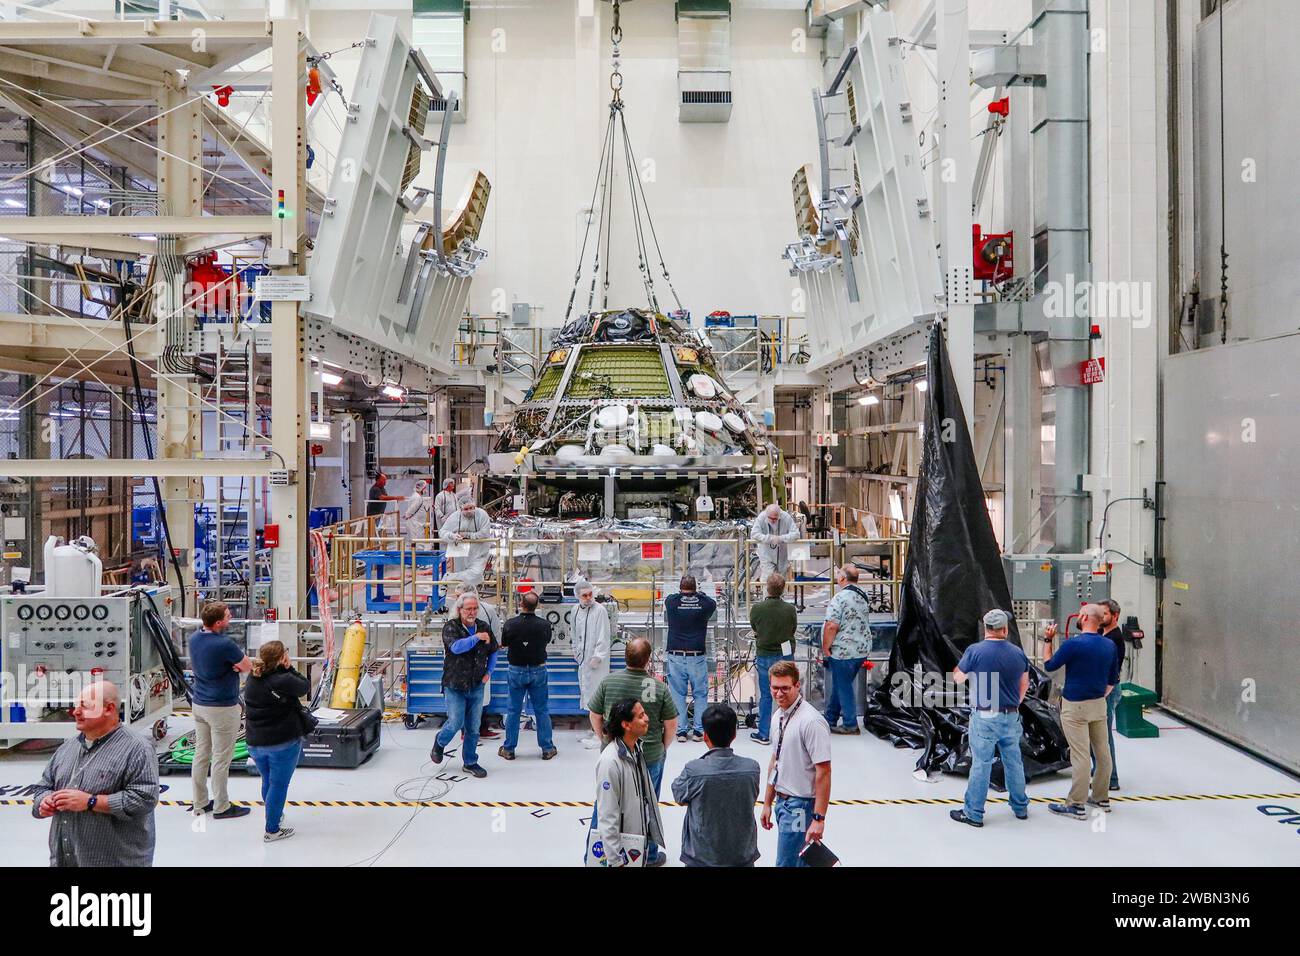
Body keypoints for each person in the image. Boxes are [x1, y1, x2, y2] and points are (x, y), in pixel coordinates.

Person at [31, 681, 159, 867]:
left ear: (109, 708)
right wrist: (44, 802)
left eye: (85, 706)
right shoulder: (67, 747)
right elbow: (43, 786)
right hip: (67, 860)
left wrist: (91, 802)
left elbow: (144, 799)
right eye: (76, 705)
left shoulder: (137, 749)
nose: (75, 712)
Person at [588, 638, 678, 867]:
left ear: (624, 656)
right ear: (648, 660)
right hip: (650, 756)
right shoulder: (658, 687)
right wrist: (661, 748)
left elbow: (595, 715)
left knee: (606, 806)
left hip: (615, 755)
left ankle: (595, 853)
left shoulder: (609, 682)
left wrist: (605, 740)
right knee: (648, 805)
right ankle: (649, 854)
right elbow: (671, 724)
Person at [948, 609, 1030, 827]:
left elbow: (957, 678)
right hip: (1011, 715)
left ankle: (974, 813)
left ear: (986, 628)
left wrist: (961, 667)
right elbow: (1025, 684)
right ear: (1004, 629)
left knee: (981, 764)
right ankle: (1020, 807)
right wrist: (1014, 704)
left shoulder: (975, 651)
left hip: (984, 716)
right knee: (1014, 762)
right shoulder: (1017, 653)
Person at [1044, 604, 1118, 819]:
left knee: (1081, 755)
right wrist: (1097, 696)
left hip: (1075, 706)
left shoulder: (1073, 645)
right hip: (1098, 705)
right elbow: (1112, 681)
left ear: (1084, 617)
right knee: (1102, 752)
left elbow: (1049, 665)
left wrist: (1048, 640)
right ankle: (1101, 798)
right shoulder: (1109, 645)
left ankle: (1076, 804)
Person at [671, 703, 761, 867]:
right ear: (734, 734)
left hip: (701, 858)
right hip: (742, 857)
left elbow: (678, 796)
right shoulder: (752, 768)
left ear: (705, 736)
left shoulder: (694, 770)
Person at [760, 661, 832, 867]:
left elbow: (824, 772)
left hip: (800, 807)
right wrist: (767, 802)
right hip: (782, 803)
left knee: (787, 862)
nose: (779, 693)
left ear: (797, 686)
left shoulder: (811, 722)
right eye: (775, 688)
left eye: (785, 688)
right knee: (800, 860)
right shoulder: (778, 716)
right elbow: (776, 760)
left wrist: (819, 818)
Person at [188, 601, 252, 819]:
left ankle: (200, 802)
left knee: (201, 754)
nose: (230, 617)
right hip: (222, 707)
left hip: (199, 704)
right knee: (221, 758)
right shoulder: (224, 645)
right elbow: (247, 666)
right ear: (217, 623)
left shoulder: (194, 638)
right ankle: (222, 806)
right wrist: (233, 666)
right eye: (227, 616)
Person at [243, 640, 309, 843]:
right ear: (281, 658)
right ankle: (272, 829)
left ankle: (275, 814)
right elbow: (304, 686)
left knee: (268, 781)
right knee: (279, 785)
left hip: (255, 743)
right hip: (282, 743)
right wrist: (290, 669)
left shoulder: (253, 677)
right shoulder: (283, 679)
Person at [587, 699, 666, 868]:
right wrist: (616, 861)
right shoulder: (610, 762)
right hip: (621, 855)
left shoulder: (635, 749)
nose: (647, 719)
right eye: (641, 716)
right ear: (626, 725)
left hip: (636, 844)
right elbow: (607, 816)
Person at [431, 593, 499, 778]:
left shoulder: (484, 627)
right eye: (468, 609)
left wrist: (488, 673)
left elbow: (493, 651)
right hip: (455, 685)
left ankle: (470, 761)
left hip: (477, 684)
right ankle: (440, 742)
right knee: (455, 722)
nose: (472, 612)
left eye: (475, 608)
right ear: (459, 610)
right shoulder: (451, 627)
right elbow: (456, 648)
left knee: (473, 727)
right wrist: (476, 637)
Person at [498, 591, 557, 760]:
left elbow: (505, 643)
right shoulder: (544, 625)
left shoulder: (510, 624)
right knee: (542, 710)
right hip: (538, 671)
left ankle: (509, 749)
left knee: (513, 710)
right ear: (537, 606)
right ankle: (547, 748)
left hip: (516, 670)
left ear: (521, 605)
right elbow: (546, 641)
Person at [820, 565, 873, 734]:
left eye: (838, 575)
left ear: (842, 579)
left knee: (844, 686)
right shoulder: (862, 596)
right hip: (861, 649)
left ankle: (850, 724)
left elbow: (831, 626)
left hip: (843, 650)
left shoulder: (839, 598)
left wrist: (826, 647)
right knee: (840, 683)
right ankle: (830, 718)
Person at [664, 574, 716, 743]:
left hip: (676, 655)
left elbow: (670, 597)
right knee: (700, 693)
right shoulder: (704, 604)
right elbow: (712, 603)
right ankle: (699, 731)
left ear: (680, 588)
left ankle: (681, 731)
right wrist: (698, 595)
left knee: (678, 694)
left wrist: (684, 596)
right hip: (697, 656)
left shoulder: (672, 603)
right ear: (696, 588)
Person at [748, 572, 797, 744]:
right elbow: (793, 629)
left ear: (767, 588)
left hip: (765, 654)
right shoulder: (790, 609)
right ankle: (791, 732)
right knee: (789, 693)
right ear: (783, 589)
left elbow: (754, 626)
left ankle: (764, 733)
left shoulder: (757, 609)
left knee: (767, 695)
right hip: (785, 654)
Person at [450, 585, 502, 740]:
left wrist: (489, 670)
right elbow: (453, 644)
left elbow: (496, 633)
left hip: (481, 664)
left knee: (481, 700)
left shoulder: (487, 610)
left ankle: (482, 729)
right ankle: (466, 734)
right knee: (465, 701)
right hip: (461, 667)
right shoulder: (454, 617)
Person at [572, 581, 611, 750]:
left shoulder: (600, 610)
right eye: (584, 596)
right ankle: (594, 729)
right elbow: (574, 632)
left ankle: (600, 735)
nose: (589, 598)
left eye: (590, 594)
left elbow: (604, 635)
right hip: (583, 659)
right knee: (587, 693)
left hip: (597, 662)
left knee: (597, 697)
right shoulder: (575, 611)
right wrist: (575, 650)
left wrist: (598, 656)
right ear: (578, 596)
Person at [1098, 598, 1125, 790]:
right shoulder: (1101, 633)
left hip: (1108, 690)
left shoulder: (1115, 639)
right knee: (1096, 736)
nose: (1100, 617)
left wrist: (1104, 693)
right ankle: (1100, 771)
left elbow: (1111, 672)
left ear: (1115, 616)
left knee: (1104, 736)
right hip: (1100, 689)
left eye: (1105, 614)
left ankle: (1111, 778)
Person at [439, 497, 493, 588]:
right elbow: (442, 532)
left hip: (479, 552)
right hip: (461, 554)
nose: (469, 511)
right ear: (460, 509)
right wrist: (452, 536)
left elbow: (484, 533)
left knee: (477, 575)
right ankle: (464, 600)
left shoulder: (482, 514)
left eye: (471, 508)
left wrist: (467, 535)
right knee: (462, 584)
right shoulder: (455, 516)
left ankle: (449, 577)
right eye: (466, 509)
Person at [750, 503, 800, 580]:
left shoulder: (786, 517)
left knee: (781, 580)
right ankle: (767, 592)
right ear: (767, 515)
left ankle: (782, 592)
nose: (773, 521)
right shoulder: (762, 517)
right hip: (766, 554)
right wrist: (769, 538)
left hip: (782, 555)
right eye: (771, 518)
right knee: (768, 579)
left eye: (775, 519)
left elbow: (796, 534)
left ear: (779, 515)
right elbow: (754, 534)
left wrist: (781, 538)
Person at [402, 478, 434, 545]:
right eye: (425, 488)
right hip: (415, 524)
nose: (426, 490)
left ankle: (416, 554)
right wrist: (406, 515)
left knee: (416, 542)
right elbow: (412, 509)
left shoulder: (416, 496)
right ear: (421, 488)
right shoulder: (417, 498)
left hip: (416, 523)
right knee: (418, 543)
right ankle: (417, 555)